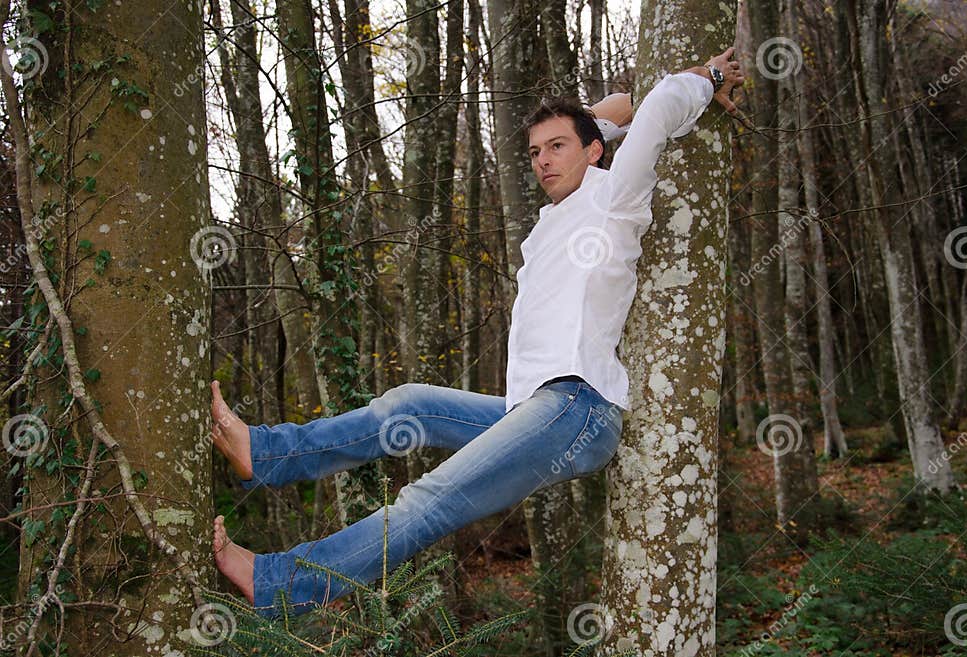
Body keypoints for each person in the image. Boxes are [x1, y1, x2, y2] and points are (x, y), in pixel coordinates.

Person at [211, 47, 745, 618]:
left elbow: (656, 104)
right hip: (531, 408)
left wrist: (707, 78)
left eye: (557, 147)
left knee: (430, 498)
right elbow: (610, 112)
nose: (542, 161)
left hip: (579, 406)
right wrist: (595, 126)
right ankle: (266, 454)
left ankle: (282, 585)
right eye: (535, 152)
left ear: (596, 152)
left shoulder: (616, 199)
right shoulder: (559, 209)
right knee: (406, 406)